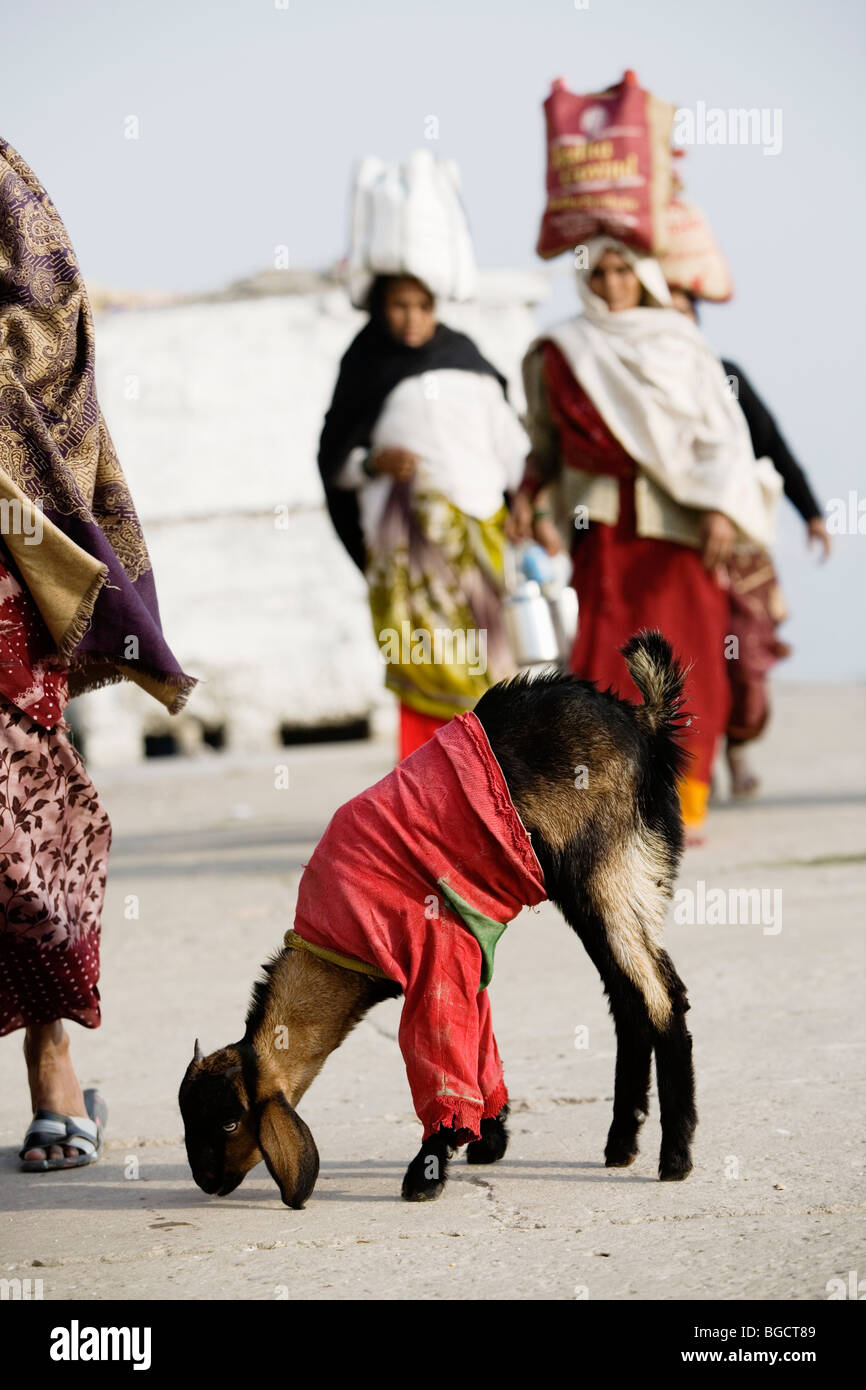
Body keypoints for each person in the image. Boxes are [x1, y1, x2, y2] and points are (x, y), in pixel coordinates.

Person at [0, 138, 194, 1168]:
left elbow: (48, 328)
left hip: (0, 545)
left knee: (13, 815)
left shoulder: (5, 181)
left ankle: (51, 1057)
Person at [512, 237, 780, 837]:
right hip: (604, 530)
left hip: (681, 530)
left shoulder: (680, 345)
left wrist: (718, 511)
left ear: (644, 276)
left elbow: (722, 438)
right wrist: (525, 497)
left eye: (622, 271)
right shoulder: (561, 353)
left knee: (689, 662)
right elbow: (546, 446)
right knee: (606, 664)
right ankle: (610, 807)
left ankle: (681, 805)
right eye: (598, 273)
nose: (610, 284)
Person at [318, 274, 529, 759]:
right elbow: (335, 464)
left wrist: (526, 502)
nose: (412, 318)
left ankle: (495, 782)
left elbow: (513, 449)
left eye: (422, 306)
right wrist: (375, 463)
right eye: (399, 306)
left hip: (479, 540)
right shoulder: (365, 369)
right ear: (380, 308)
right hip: (408, 552)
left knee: (492, 661)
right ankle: (429, 785)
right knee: (421, 657)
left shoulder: (469, 364)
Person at [668, 287, 830, 797]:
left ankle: (737, 748)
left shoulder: (726, 377)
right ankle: (698, 764)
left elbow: (772, 441)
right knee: (688, 656)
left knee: (742, 656)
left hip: (739, 547)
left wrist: (812, 513)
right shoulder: (642, 390)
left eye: (682, 312)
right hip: (676, 545)